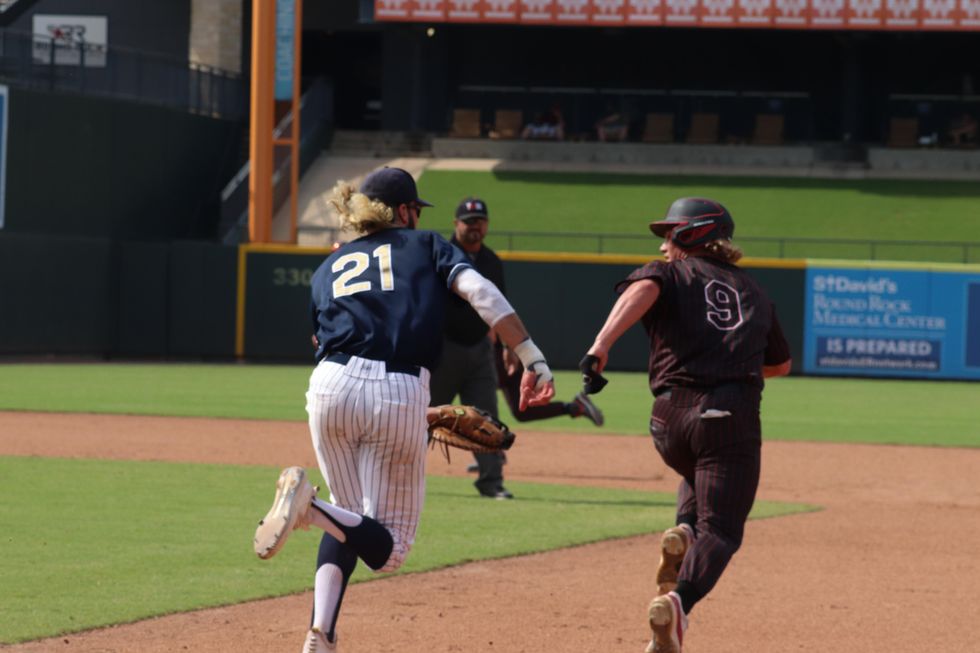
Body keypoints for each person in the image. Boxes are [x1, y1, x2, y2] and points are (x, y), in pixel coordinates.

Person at [253, 167, 555, 653]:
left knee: (347, 516)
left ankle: (320, 635)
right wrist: (530, 355)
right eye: (415, 208)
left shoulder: (330, 265)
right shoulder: (426, 244)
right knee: (389, 550)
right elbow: (480, 292)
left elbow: (319, 338)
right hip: (397, 382)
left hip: (328, 386)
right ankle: (308, 505)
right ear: (403, 211)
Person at [580, 197, 792, 653]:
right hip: (728, 417)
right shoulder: (755, 292)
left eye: (670, 234)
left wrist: (601, 346)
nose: (663, 246)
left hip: (668, 421)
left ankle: (684, 530)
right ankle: (679, 603)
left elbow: (643, 289)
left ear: (693, 233)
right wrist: (735, 363)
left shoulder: (669, 274)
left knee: (698, 470)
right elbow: (781, 364)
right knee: (723, 530)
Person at [429, 196, 519, 499]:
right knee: (423, 417)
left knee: (486, 419)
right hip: (442, 350)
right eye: (468, 222)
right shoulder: (440, 254)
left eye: (479, 221)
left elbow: (499, 306)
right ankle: (397, 474)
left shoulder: (491, 261)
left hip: (480, 350)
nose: (473, 226)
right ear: (456, 224)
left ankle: (492, 481)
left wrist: (508, 344)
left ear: (487, 225)